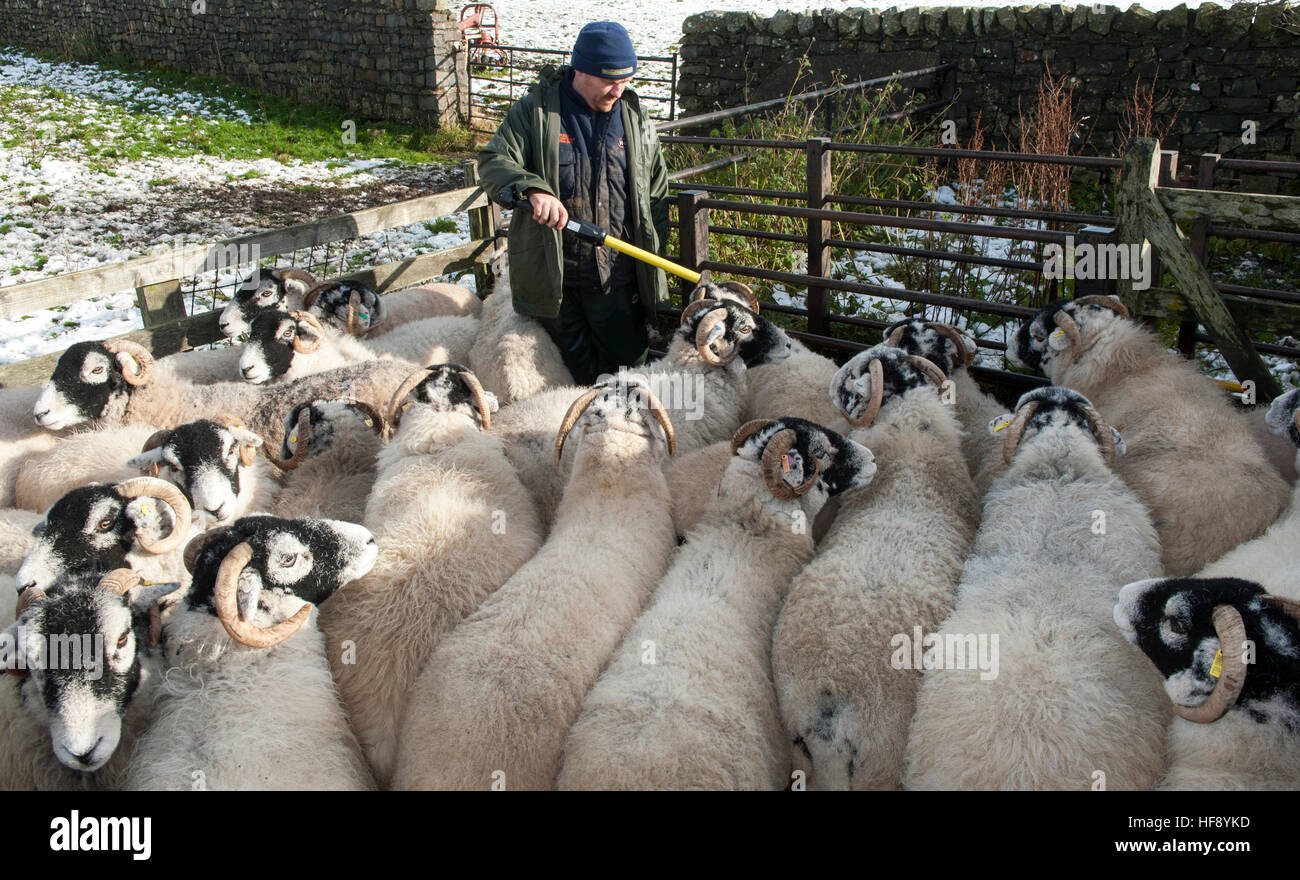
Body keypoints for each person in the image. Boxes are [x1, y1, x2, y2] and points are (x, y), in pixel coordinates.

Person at [476, 21, 670, 385]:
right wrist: (532, 188)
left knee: (628, 382)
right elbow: (493, 160)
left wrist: (652, 269)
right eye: (609, 80)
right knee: (566, 384)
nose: (619, 89)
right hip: (557, 283)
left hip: (618, 279)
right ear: (580, 68)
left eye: (626, 79)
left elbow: (655, 196)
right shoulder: (537, 112)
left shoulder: (637, 121)